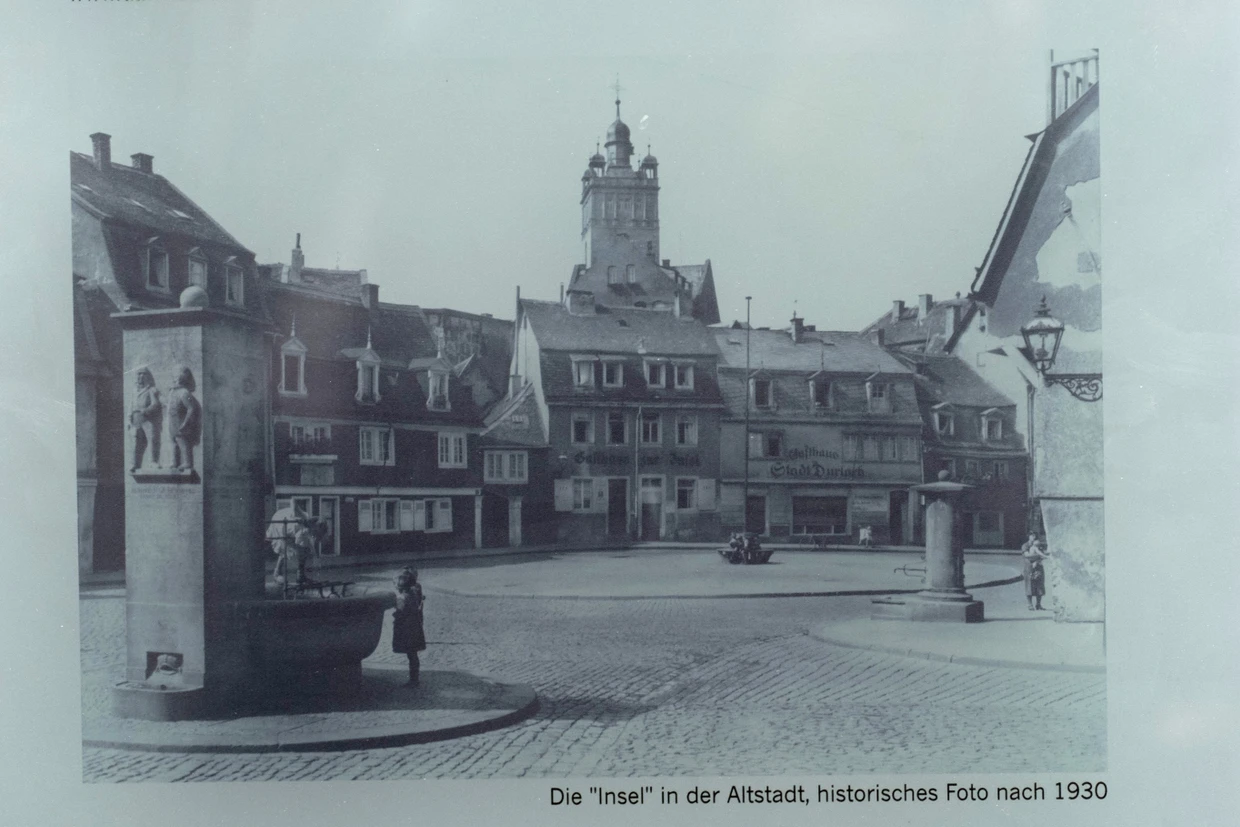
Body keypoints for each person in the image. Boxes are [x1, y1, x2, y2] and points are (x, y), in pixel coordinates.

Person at [392, 568, 426, 686]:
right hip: (415, 627)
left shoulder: (402, 598)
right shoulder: (413, 593)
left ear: (401, 586)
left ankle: (413, 680)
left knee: (411, 654)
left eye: (396, 585)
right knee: (413, 655)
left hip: (406, 629)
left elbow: (400, 613)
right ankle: (415, 678)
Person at [166, 366, 201, 472]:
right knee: (173, 441)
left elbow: (191, 408)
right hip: (172, 422)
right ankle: (174, 462)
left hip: (181, 422)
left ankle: (187, 462)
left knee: (183, 441)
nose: (175, 379)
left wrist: (186, 423)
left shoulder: (184, 392)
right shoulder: (172, 392)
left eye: (177, 376)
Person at [128, 367, 162, 471]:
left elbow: (155, 404)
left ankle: (153, 461)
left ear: (147, 377)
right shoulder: (134, 391)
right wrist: (129, 419)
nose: (140, 377)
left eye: (143, 374)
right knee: (136, 442)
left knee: (152, 440)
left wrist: (146, 410)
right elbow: (131, 405)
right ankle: (135, 463)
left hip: (147, 419)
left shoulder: (151, 390)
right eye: (139, 374)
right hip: (135, 419)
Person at [1021, 534, 1049, 611]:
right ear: (1028, 536)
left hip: (1038, 567)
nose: (1033, 537)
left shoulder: (1039, 544)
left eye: (1034, 536)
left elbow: (1043, 555)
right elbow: (1027, 556)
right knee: (1029, 585)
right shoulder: (1025, 545)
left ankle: (1038, 605)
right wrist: (1039, 555)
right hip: (1029, 567)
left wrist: (1037, 560)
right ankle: (1030, 604)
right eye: (1031, 535)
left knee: (1040, 585)